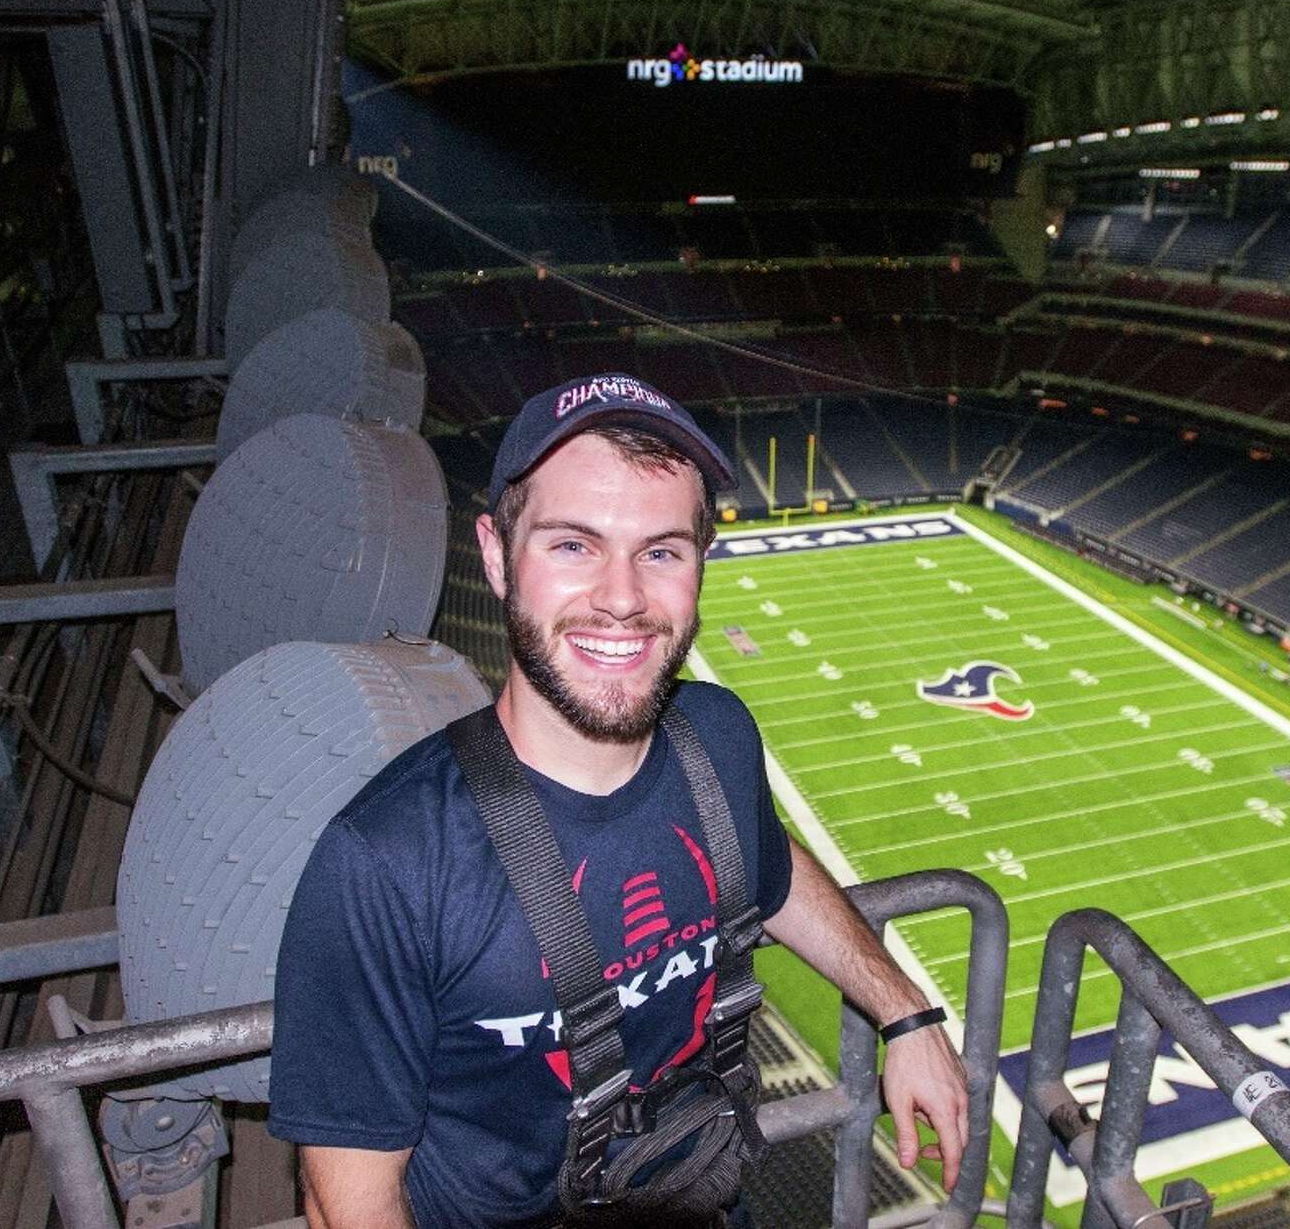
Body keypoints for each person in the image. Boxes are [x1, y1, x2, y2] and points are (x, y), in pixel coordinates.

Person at [268, 375, 969, 1227]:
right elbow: (344, 1203)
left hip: (698, 1196)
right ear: (496, 555)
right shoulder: (386, 862)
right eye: (574, 545)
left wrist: (904, 1010)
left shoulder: (718, 734)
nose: (623, 597)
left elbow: (772, 870)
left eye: (662, 551)